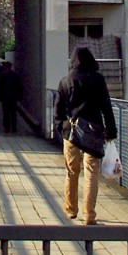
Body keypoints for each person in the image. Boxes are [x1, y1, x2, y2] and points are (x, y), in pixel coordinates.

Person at [53, 46, 117, 224]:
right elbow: (106, 107)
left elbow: (57, 112)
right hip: (94, 133)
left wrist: (63, 127)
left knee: (72, 172)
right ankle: (89, 215)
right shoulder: (98, 80)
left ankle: (71, 210)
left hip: (71, 132)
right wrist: (111, 130)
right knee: (91, 173)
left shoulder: (65, 81)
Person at [0, 59, 21, 133]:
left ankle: (8, 127)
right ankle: (12, 127)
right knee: (11, 113)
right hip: (11, 98)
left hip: (6, 98)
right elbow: (19, 86)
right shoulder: (14, 75)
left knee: (6, 113)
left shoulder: (2, 76)